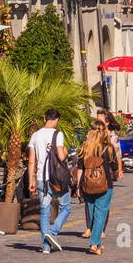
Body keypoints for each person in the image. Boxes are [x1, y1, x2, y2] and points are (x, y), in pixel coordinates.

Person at [76, 115, 122, 254]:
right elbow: (115, 167)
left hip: (86, 184)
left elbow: (79, 168)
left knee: (92, 213)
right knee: (100, 215)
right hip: (104, 184)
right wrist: (115, 174)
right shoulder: (108, 148)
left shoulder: (84, 148)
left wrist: (78, 187)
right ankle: (94, 244)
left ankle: (97, 243)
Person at [28, 108, 71, 254]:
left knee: (45, 212)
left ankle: (46, 247)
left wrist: (31, 180)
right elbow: (62, 156)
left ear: (45, 118)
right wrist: (65, 149)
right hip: (56, 179)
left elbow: (31, 161)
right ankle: (52, 233)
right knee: (66, 207)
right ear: (55, 120)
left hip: (41, 178)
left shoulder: (35, 135)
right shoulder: (57, 134)